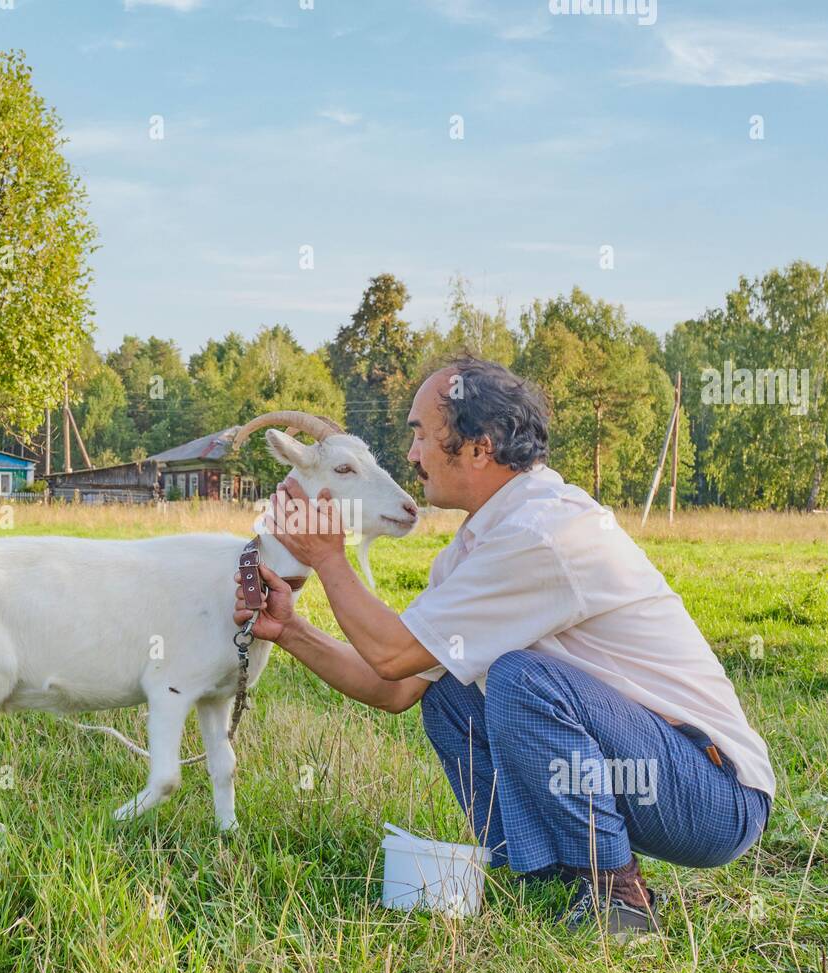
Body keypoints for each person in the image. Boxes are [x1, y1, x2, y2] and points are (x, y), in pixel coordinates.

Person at [233, 357, 773, 936]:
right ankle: (542, 882)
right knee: (446, 694)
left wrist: (328, 557)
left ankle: (616, 898)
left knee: (519, 677)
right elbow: (395, 684)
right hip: (655, 772)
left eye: (420, 434)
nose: (411, 455)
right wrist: (289, 630)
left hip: (715, 795)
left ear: (478, 447)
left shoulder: (541, 532)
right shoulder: (479, 545)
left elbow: (389, 652)